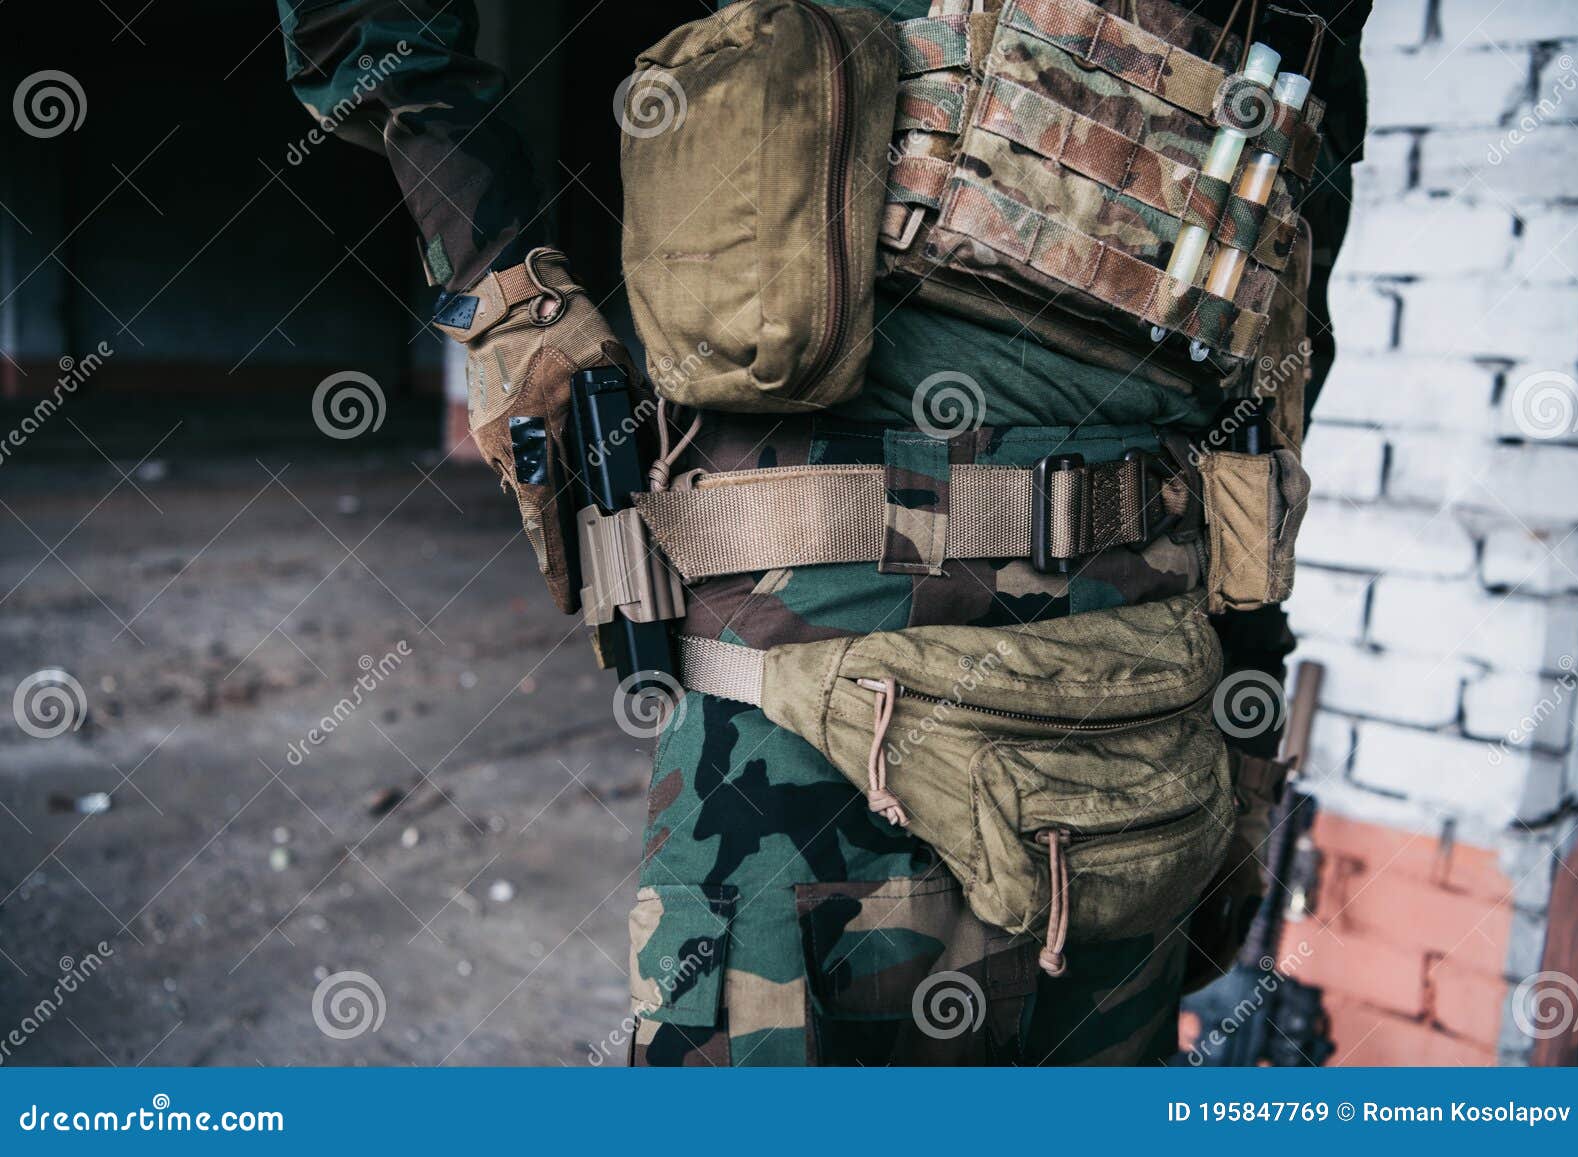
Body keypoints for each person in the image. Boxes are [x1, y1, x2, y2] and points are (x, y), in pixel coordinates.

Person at [277, 0, 1371, 1065]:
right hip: (825, 672)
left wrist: (1244, 688)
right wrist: (502, 285)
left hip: (1140, 698)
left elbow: (1288, 273)